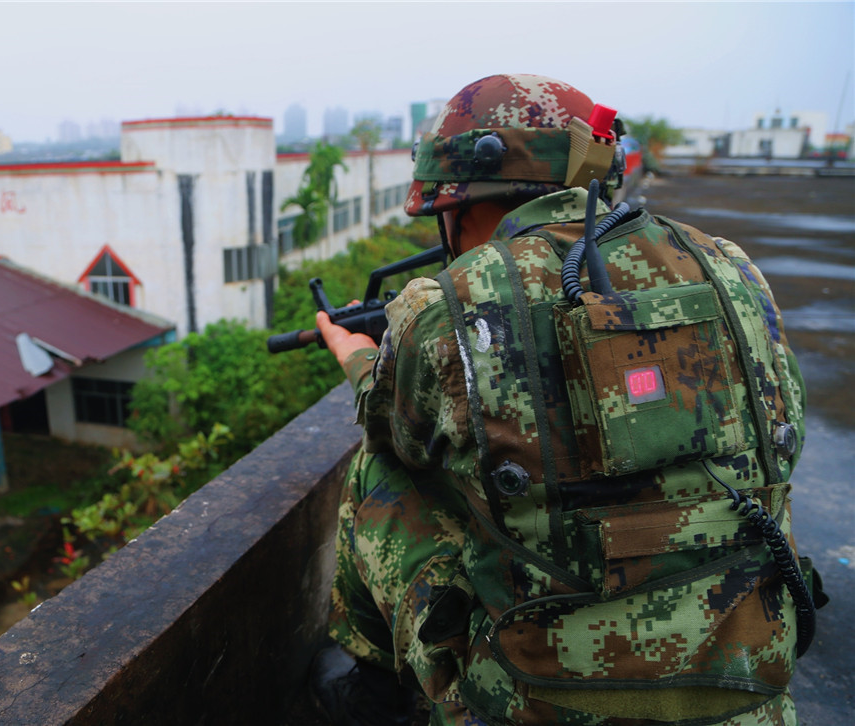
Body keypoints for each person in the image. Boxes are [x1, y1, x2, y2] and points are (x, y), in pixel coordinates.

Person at [309, 74, 816, 726]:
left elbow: (391, 424)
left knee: (380, 470)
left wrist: (353, 351)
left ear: (459, 205)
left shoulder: (447, 304)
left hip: (528, 705)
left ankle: (373, 692)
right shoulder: (733, 268)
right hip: (755, 691)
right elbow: (786, 431)